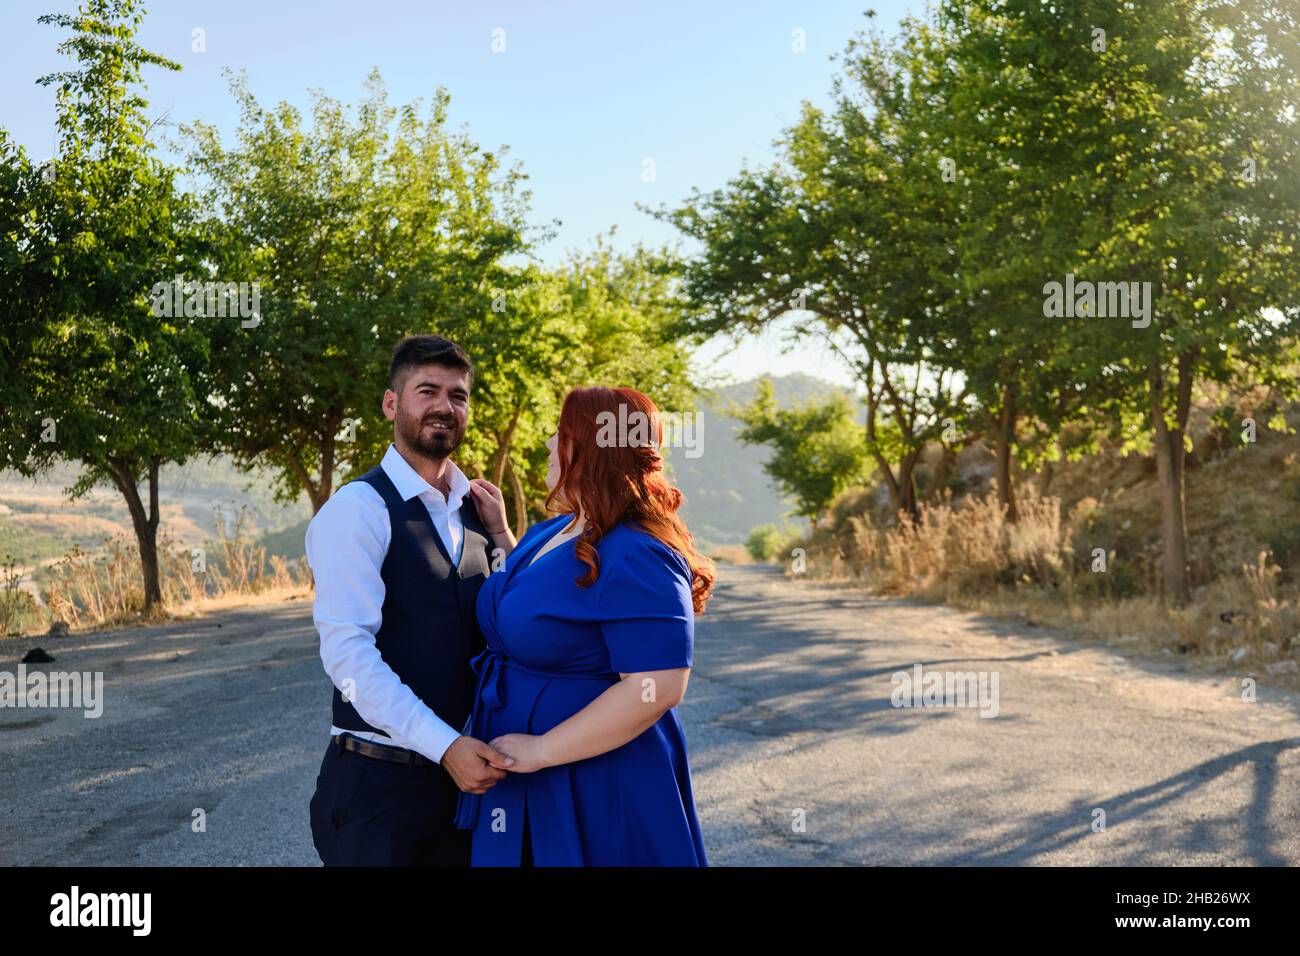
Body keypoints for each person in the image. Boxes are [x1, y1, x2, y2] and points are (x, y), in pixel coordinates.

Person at [454, 386, 715, 865]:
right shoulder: (559, 529)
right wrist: (499, 534)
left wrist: (543, 750)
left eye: (561, 434)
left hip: (594, 777)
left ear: (589, 450)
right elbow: (539, 602)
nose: (549, 444)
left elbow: (658, 686)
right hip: (528, 766)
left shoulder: (640, 554)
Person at [306, 334, 517, 866]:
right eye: (427, 391)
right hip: (379, 791)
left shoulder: (478, 512)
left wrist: (504, 538)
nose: (445, 405)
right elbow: (348, 656)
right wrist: (445, 745)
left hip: (466, 792)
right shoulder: (359, 508)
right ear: (391, 403)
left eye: (459, 395)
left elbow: (518, 622)